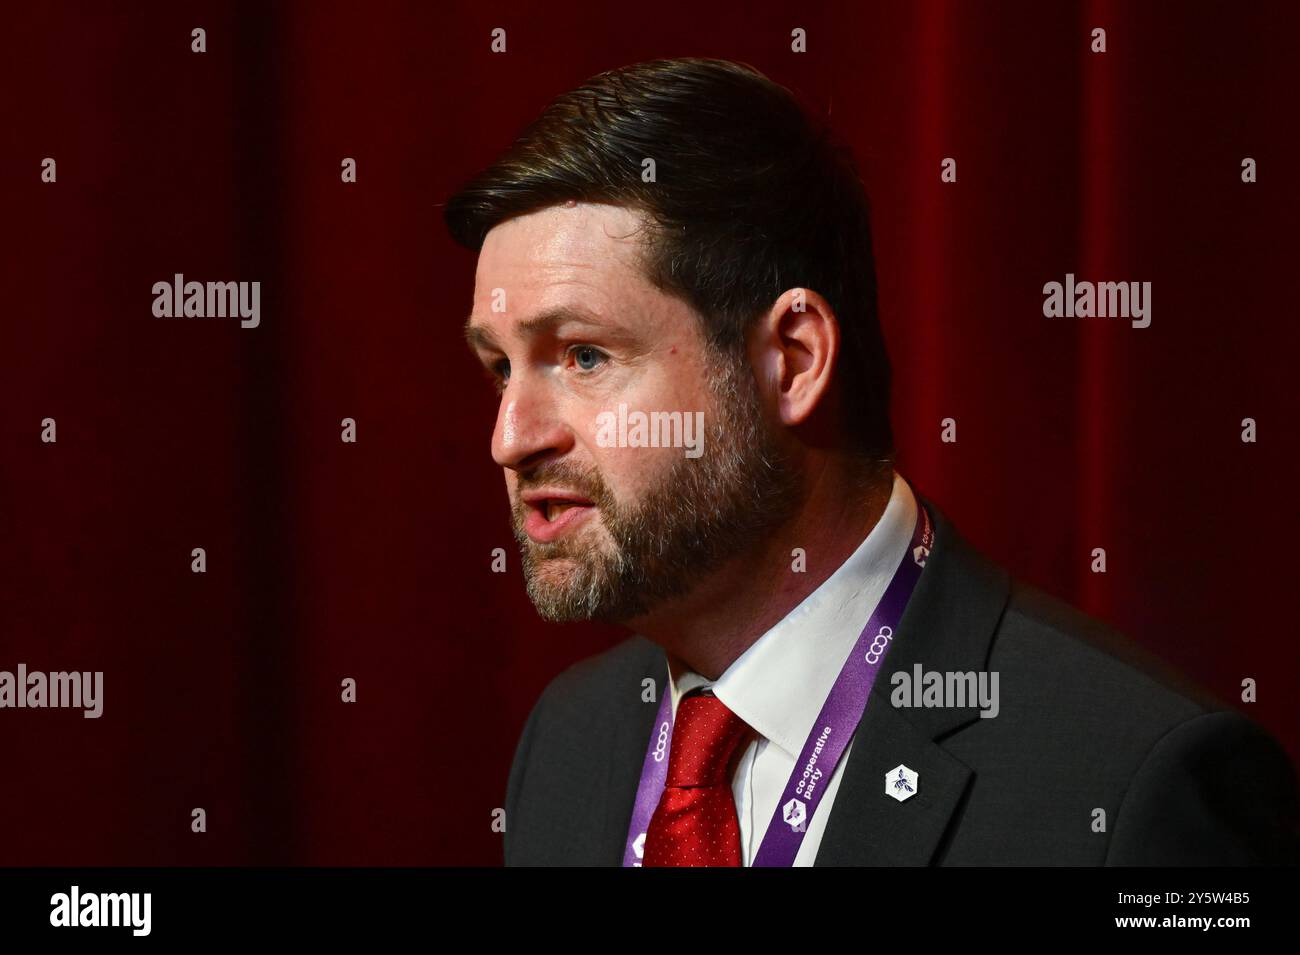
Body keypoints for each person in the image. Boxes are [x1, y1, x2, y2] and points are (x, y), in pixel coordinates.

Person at [444, 57, 1300, 866]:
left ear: (793, 360)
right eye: (498, 369)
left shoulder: (1135, 780)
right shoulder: (569, 739)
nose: (511, 438)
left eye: (584, 356)